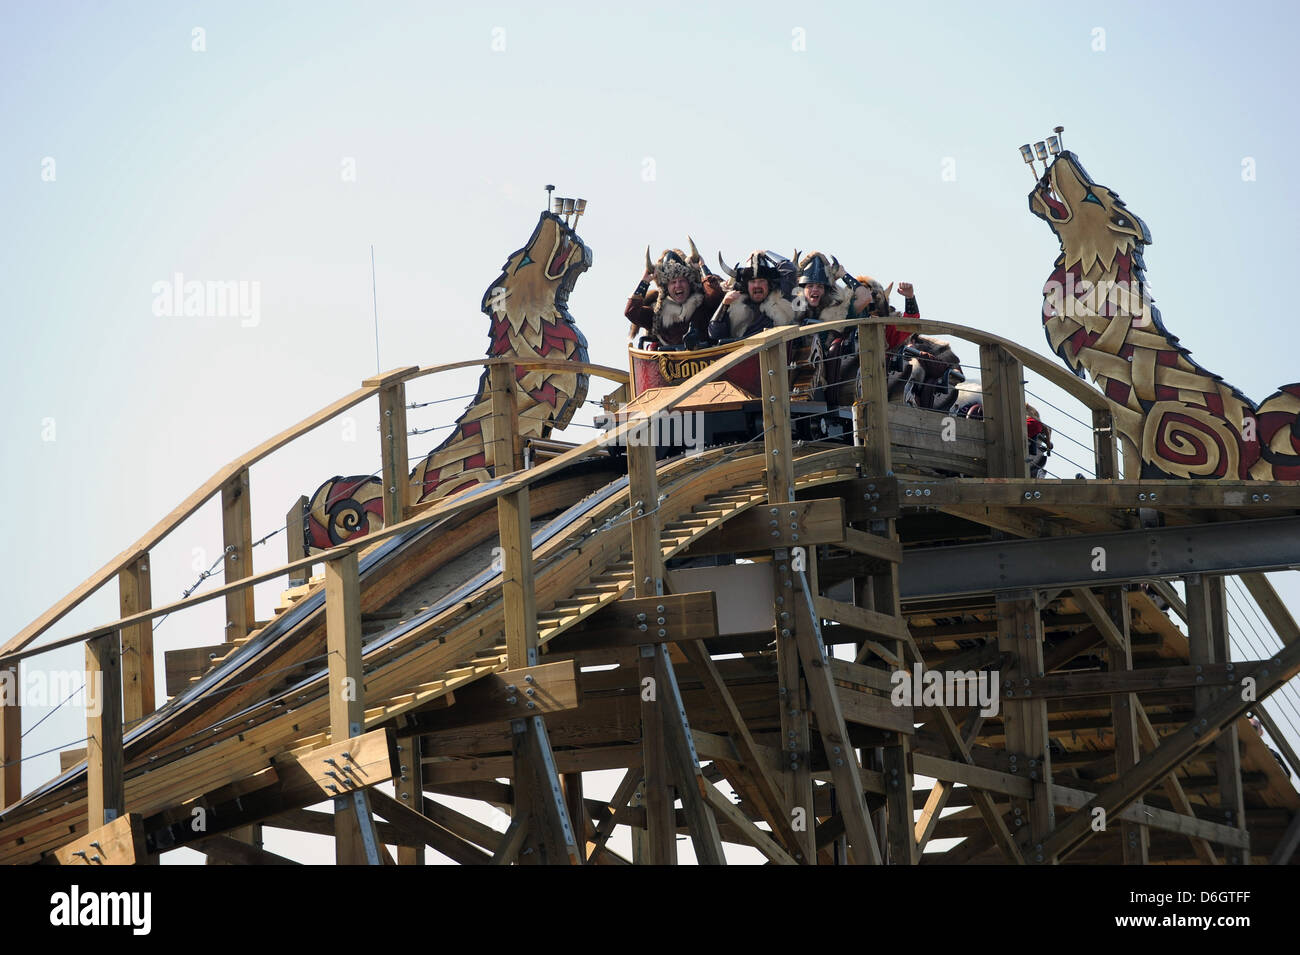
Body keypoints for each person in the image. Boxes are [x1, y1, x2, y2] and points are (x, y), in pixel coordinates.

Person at [625, 244, 722, 349]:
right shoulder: (657, 314)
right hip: (670, 362)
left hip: (707, 357)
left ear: (689, 283)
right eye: (673, 282)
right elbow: (631, 312)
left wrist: (702, 268)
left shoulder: (702, 302)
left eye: (682, 281)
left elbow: (715, 295)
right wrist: (645, 281)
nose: (678, 285)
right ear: (666, 287)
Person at [708, 250, 796, 341]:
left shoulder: (781, 298)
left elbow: (790, 270)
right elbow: (715, 334)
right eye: (752, 281)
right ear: (746, 285)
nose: (757, 285)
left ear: (769, 284)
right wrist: (724, 305)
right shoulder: (735, 303)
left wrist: (765, 253)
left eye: (761, 281)